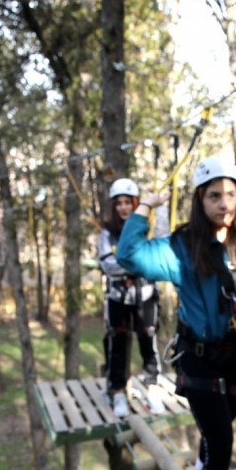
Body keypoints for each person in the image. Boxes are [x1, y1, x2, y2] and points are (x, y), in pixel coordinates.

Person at [117, 156, 236, 470]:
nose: (224, 203)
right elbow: (129, 255)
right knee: (221, 441)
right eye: (215, 195)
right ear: (200, 199)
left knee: (217, 435)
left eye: (230, 194)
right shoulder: (182, 248)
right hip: (200, 361)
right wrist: (144, 208)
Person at [98, 178, 168, 417]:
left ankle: (152, 387)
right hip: (118, 297)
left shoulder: (143, 228)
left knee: (148, 342)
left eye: (129, 202)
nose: (124, 207)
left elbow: (161, 242)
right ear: (114, 206)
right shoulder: (108, 234)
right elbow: (107, 265)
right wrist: (138, 263)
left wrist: (160, 206)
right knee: (116, 345)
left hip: (145, 295)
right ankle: (117, 391)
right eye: (119, 203)